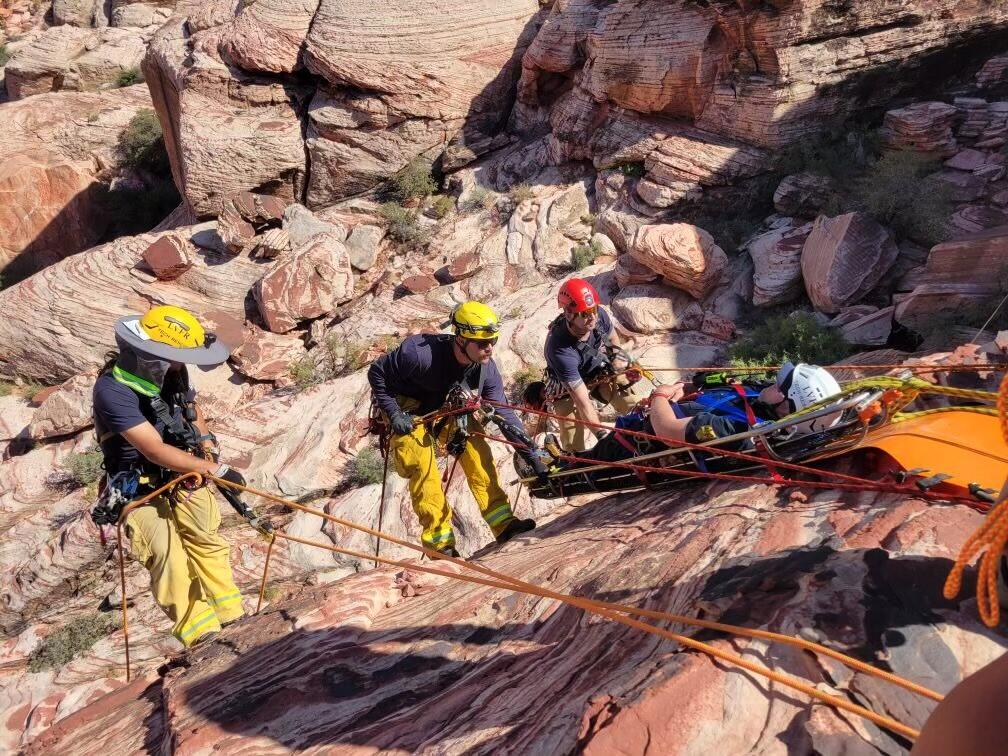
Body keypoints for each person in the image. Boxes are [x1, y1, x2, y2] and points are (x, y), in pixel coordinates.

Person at [91, 306, 250, 647]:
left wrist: (206, 450)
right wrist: (214, 469)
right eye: (174, 358)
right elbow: (152, 449)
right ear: (149, 355)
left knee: (206, 541)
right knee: (168, 557)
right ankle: (201, 635)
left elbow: (191, 412)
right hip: (138, 487)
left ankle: (233, 616)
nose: (180, 365)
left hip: (185, 474)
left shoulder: (170, 373)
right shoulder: (112, 391)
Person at [368, 301, 549, 557]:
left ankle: (504, 523)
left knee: (477, 450)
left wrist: (532, 455)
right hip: (405, 407)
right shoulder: (418, 354)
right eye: (482, 343)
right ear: (461, 339)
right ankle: (439, 544)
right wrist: (394, 413)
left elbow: (503, 412)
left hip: (444, 405)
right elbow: (376, 373)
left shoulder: (485, 368)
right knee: (422, 464)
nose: (489, 348)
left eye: (493, 341)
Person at [552, 362, 843, 471]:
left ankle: (557, 468)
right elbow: (719, 389)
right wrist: (684, 388)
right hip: (660, 416)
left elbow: (667, 430)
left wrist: (660, 396)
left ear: (789, 407)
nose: (773, 384)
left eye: (781, 387)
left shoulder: (733, 428)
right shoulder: (762, 401)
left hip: (635, 442)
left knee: (590, 461)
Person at [542, 278, 649, 452]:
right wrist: (601, 436)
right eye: (584, 313)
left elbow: (613, 338)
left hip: (595, 370)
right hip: (565, 387)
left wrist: (616, 360)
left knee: (629, 400)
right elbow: (582, 400)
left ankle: (645, 429)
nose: (592, 317)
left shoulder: (600, 315)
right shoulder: (559, 349)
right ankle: (577, 465)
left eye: (593, 310)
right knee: (572, 433)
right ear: (569, 314)